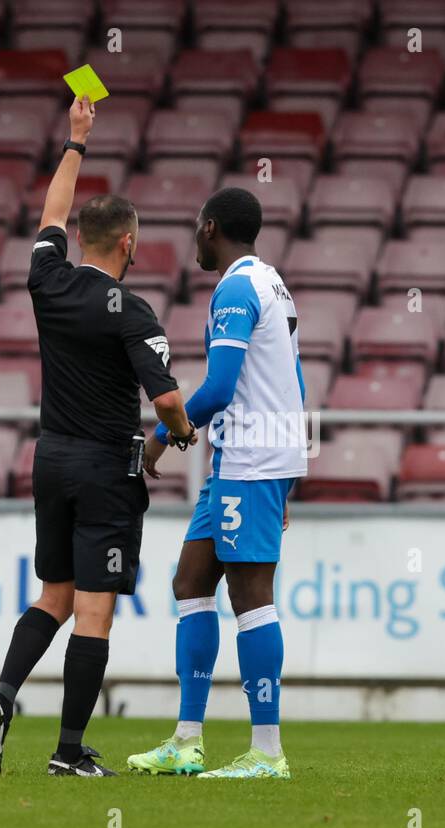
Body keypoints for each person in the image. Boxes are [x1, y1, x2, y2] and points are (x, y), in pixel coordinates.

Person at [0, 95, 197, 778]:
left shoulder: (49, 279)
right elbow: (168, 399)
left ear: (81, 241)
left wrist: (75, 141)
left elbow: (50, 216)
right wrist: (178, 434)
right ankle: (68, 751)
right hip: (105, 469)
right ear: (128, 243)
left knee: (54, 597)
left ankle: (2, 700)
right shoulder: (132, 311)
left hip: (51, 459)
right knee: (94, 611)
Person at [128, 186, 307, 779]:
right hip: (248, 461)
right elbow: (295, 376)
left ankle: (267, 752)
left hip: (250, 459)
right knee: (190, 582)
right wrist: (291, 470)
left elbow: (220, 387)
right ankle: (186, 740)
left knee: (252, 594)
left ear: (210, 229)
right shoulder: (273, 283)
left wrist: (162, 434)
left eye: (195, 231)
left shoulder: (235, 288)